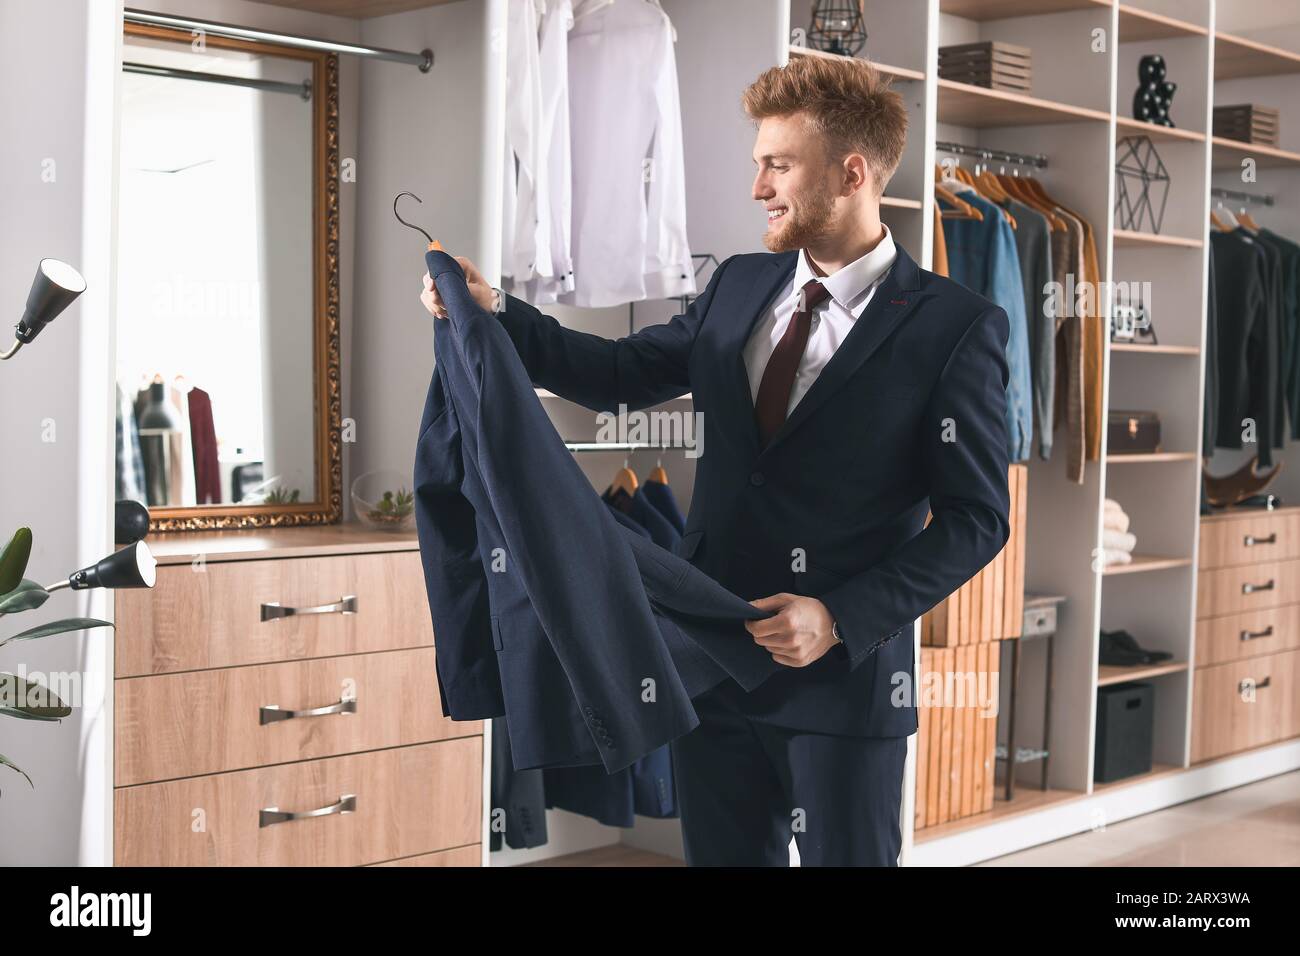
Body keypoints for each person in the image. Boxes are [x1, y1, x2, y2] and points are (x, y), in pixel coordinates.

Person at [421, 55, 1010, 866]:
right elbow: (621, 373)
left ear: (850, 173)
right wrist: (497, 315)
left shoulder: (956, 325)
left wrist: (838, 618)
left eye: (778, 165)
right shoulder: (740, 284)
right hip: (709, 669)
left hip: (842, 684)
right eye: (758, 163)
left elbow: (978, 520)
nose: (758, 187)